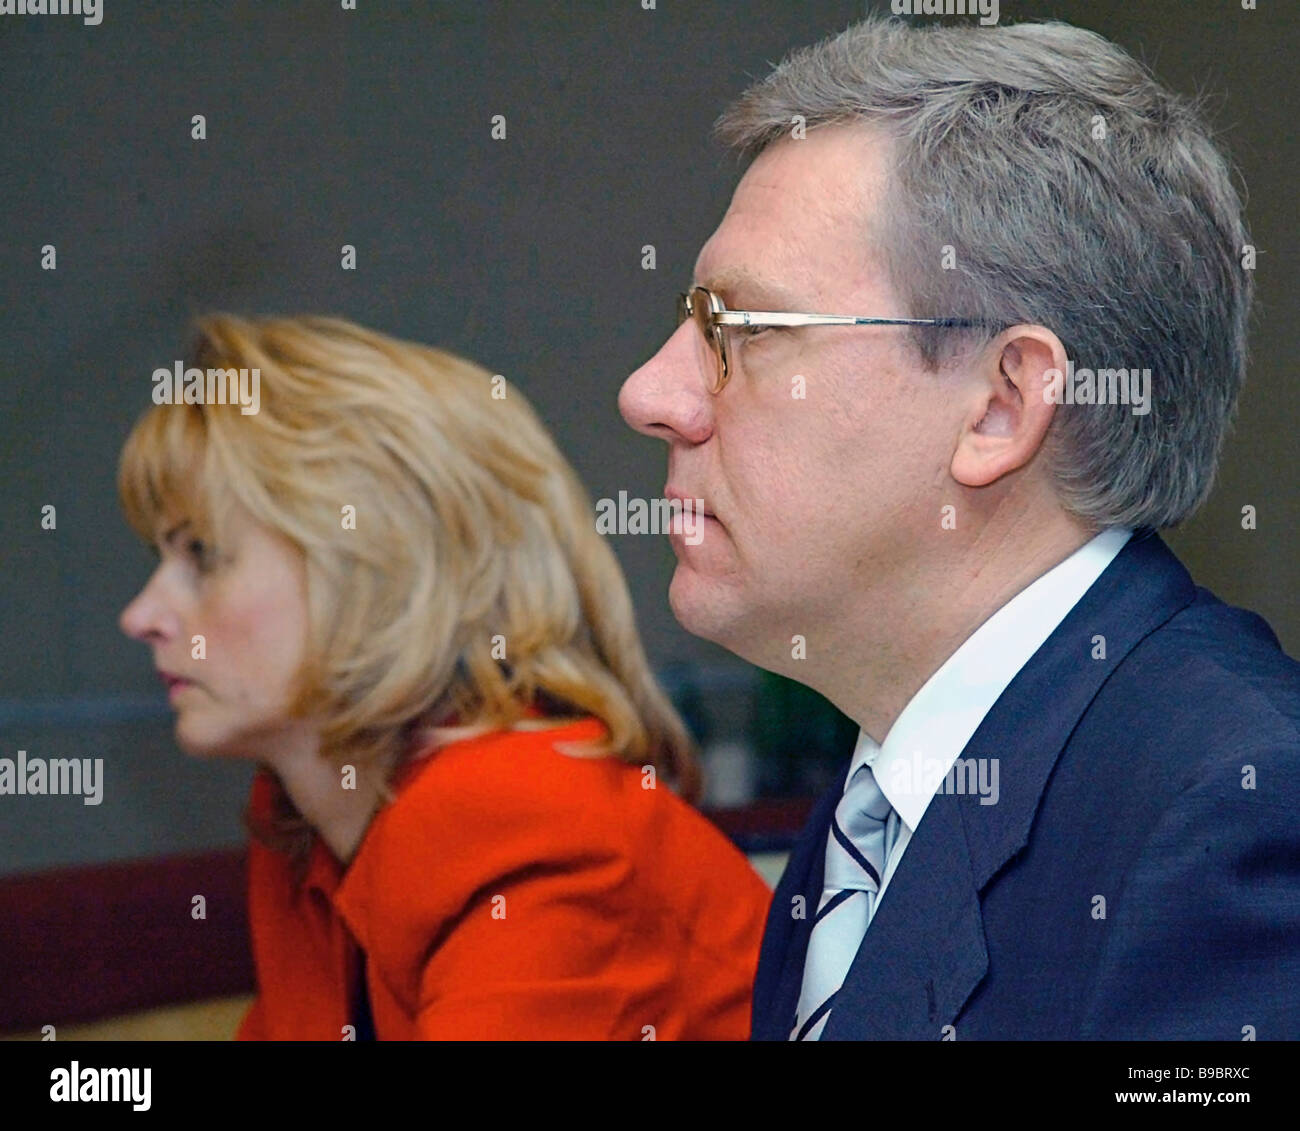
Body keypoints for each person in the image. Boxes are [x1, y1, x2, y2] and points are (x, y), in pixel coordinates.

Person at [618, 15, 1300, 1040]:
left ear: (999, 407)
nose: (652, 393)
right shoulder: (883, 792)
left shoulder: (1233, 816)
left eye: (740, 331)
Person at [118, 313, 772, 1040]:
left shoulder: (529, 827)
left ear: (380, 565)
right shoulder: (304, 820)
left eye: (203, 555)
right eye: (160, 558)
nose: (141, 615)